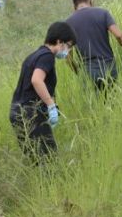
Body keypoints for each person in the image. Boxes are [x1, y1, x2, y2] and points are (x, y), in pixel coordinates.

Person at [10, 22, 76, 160]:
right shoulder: (47, 56)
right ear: (59, 41)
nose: (68, 51)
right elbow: (36, 80)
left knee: (35, 160)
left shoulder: (33, 56)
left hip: (17, 113)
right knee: (49, 161)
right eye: (68, 46)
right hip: (31, 113)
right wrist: (51, 105)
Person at [65, 0, 122, 92]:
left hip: (87, 70)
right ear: (91, 1)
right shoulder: (103, 13)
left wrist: (79, 72)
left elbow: (67, 56)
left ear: (74, 6)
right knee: (113, 103)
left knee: (93, 106)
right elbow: (119, 36)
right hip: (108, 67)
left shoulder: (68, 22)